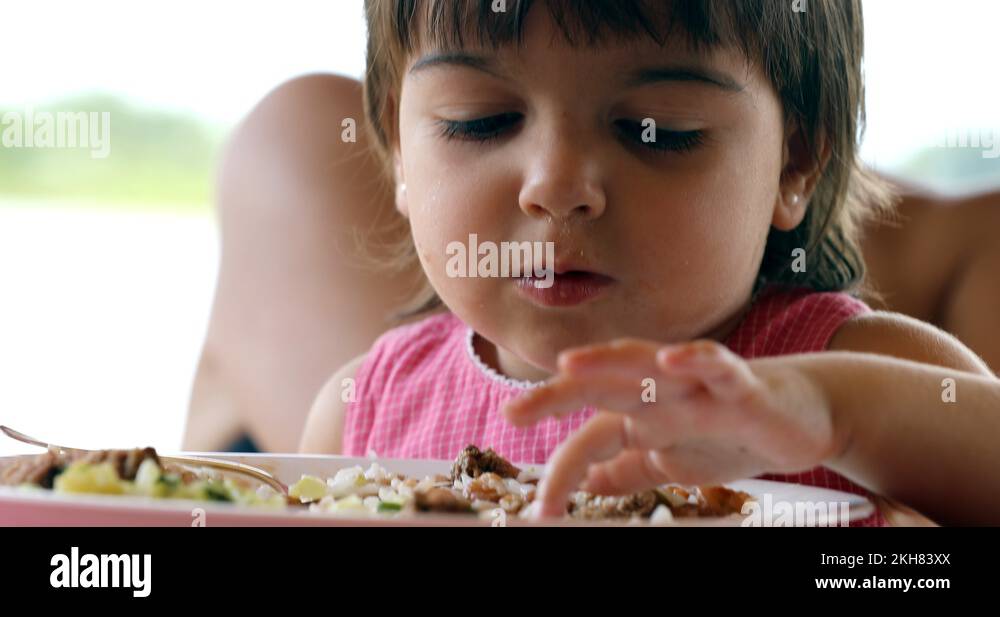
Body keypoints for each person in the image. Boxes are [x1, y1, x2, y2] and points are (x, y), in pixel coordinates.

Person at [188, 1, 1000, 526]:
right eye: (480, 121)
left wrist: (831, 414)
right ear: (399, 154)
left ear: (796, 164)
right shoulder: (362, 408)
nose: (557, 185)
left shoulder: (838, 372)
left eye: (658, 129)